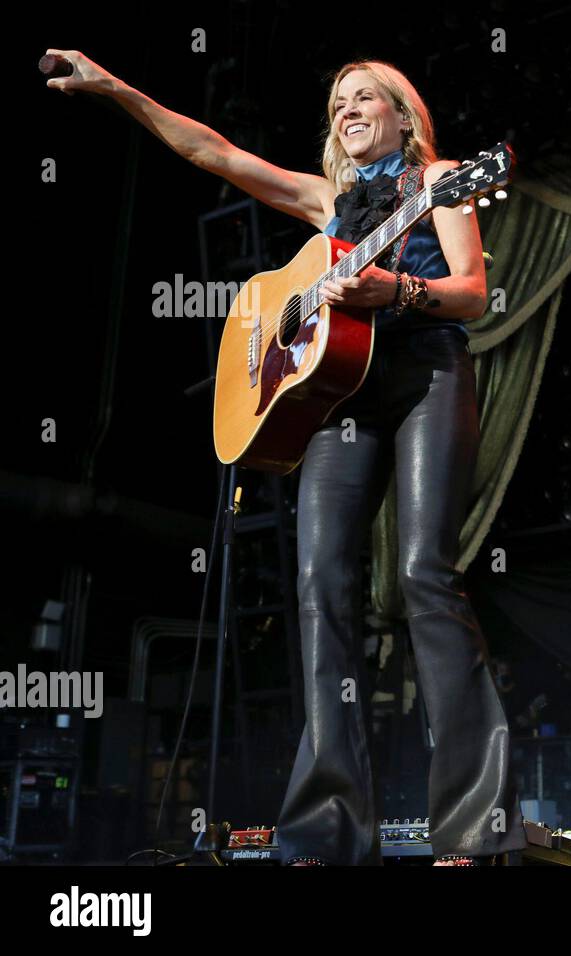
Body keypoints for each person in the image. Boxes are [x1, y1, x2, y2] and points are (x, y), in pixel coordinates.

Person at [47, 50, 526, 865]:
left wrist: (399, 293)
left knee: (421, 577)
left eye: (364, 97)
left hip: (424, 377)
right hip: (341, 395)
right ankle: (326, 830)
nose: (345, 110)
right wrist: (118, 89)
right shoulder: (331, 202)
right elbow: (216, 153)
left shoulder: (441, 179)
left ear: (403, 116)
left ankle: (473, 829)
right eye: (337, 101)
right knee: (318, 588)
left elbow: (473, 292)